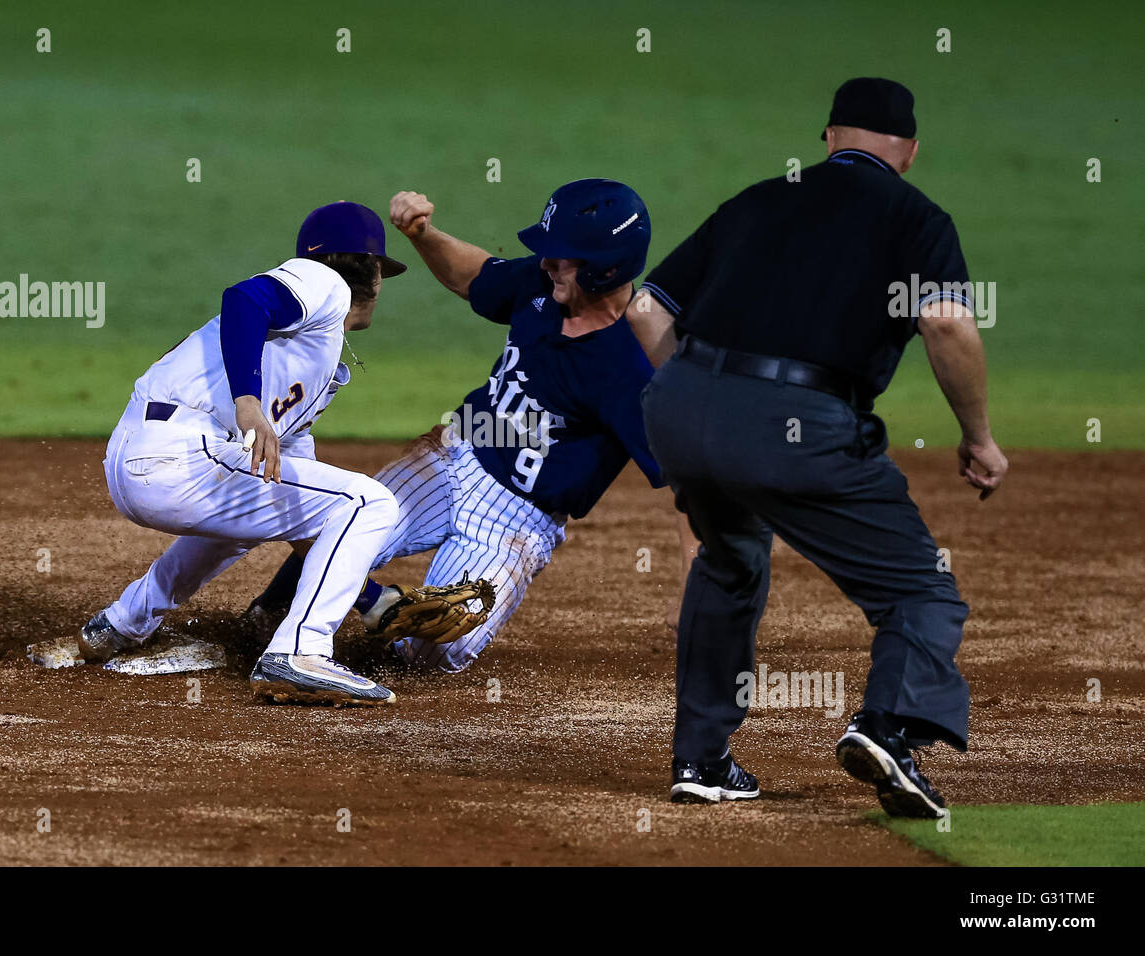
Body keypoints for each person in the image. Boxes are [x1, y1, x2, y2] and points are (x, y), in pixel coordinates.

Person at [629, 78, 1008, 816]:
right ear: (910, 152)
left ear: (829, 137)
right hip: (796, 425)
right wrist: (978, 438)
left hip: (679, 407)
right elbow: (949, 326)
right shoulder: (917, 217)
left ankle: (701, 762)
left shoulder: (759, 198)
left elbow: (647, 308)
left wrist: (703, 401)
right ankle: (886, 729)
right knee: (919, 590)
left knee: (729, 561)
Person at [248, 179, 696, 672]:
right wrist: (423, 234)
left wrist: (697, 589)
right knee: (341, 525)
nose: (546, 262)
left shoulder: (636, 369)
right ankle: (266, 617)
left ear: (605, 266)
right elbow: (474, 277)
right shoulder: (543, 284)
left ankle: (367, 634)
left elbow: (693, 482)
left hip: (516, 519)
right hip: (451, 455)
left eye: (562, 256)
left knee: (436, 650)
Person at [76, 201, 424, 706]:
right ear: (366, 268)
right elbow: (244, 299)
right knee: (373, 502)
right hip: (180, 451)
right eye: (381, 270)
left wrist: (373, 601)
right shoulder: (323, 282)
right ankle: (300, 651)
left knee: (265, 509)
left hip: (150, 460)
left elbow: (301, 516)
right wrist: (248, 403)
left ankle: (120, 624)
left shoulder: (316, 368)